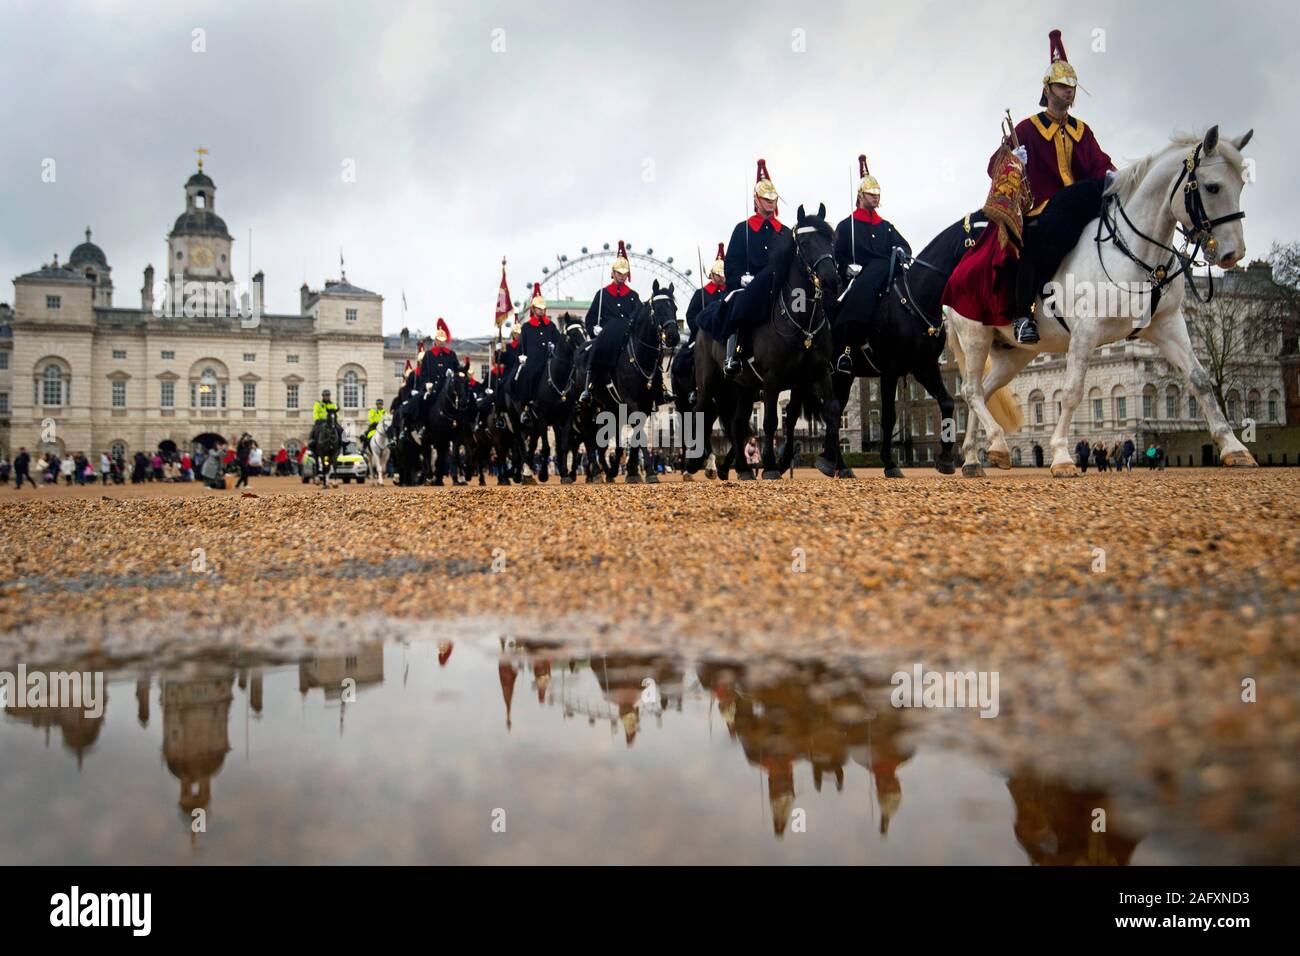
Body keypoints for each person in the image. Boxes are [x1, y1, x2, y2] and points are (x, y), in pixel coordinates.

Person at [1003, 29, 1115, 344]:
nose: (1069, 92)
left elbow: (1099, 164)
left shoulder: (1083, 130)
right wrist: (1012, 158)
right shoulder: (1027, 128)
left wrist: (1112, 176)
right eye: (1063, 86)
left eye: (1072, 87)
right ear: (1047, 89)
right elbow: (996, 168)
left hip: (1080, 207)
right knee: (1033, 249)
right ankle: (1022, 316)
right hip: (1043, 210)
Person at [718, 158, 784, 377]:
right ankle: (732, 354)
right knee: (738, 303)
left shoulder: (784, 232)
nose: (770, 202)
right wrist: (740, 279)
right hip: (750, 285)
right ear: (756, 200)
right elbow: (731, 264)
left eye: (773, 198)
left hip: (778, 284)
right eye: (766, 198)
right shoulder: (742, 229)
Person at [833, 154, 911, 324]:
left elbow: (904, 246)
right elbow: (836, 255)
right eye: (870, 193)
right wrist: (847, 267)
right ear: (860, 195)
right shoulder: (846, 225)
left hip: (887, 275)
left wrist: (899, 252)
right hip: (858, 277)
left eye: (877, 193)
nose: (876, 197)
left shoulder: (886, 226)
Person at [579, 241, 642, 404]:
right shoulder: (602, 294)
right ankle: (589, 387)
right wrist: (594, 329)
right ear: (612, 273)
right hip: (608, 336)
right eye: (619, 273)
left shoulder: (633, 296)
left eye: (624, 273)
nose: (622, 276)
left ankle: (659, 388)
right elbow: (590, 318)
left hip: (627, 335)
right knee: (595, 351)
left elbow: (639, 317)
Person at [685, 244, 727, 344]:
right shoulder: (701, 294)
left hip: (726, 335)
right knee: (684, 357)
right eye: (719, 274)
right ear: (711, 274)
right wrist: (701, 330)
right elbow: (690, 315)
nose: (722, 277)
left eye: (724, 274)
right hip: (705, 338)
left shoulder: (729, 292)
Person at [312, 388, 342, 459]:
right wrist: (317, 419)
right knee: (314, 430)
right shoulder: (318, 404)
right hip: (320, 421)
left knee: (340, 429)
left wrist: (336, 420)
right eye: (325, 396)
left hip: (331, 422)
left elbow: (336, 413)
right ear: (323, 396)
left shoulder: (333, 404)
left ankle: (343, 443)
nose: (327, 397)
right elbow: (315, 412)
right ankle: (311, 443)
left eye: (328, 396)